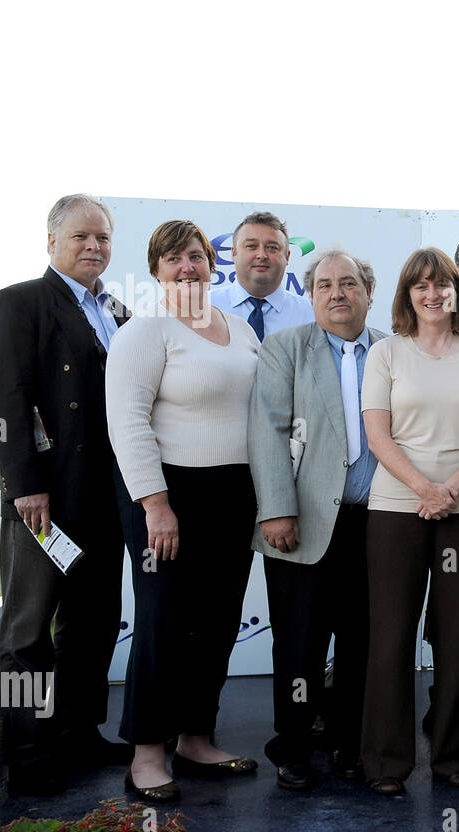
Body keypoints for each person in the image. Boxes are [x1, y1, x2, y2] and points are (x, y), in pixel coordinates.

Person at [106, 220, 262, 802]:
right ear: (157, 271)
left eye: (196, 256)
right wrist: (156, 504)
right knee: (164, 621)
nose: (188, 267)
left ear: (211, 264)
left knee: (218, 619)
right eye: (174, 260)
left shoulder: (240, 328)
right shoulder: (144, 332)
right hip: (164, 495)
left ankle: (196, 738)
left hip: (232, 493)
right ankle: (147, 752)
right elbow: (126, 422)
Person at [0, 194, 133, 795]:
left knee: (93, 622)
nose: (94, 246)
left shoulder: (119, 311)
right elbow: (5, 398)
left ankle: (78, 734)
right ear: (52, 243)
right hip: (43, 500)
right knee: (24, 632)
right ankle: (26, 756)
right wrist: (25, 487)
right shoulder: (19, 302)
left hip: (104, 497)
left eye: (102, 237)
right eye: (80, 237)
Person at [359, 247, 459, 796]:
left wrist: (449, 490)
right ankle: (385, 763)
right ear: (407, 294)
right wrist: (425, 489)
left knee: (456, 639)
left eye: (442, 284)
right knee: (391, 637)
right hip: (398, 510)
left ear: (456, 293)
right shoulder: (387, 354)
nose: (432, 293)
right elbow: (378, 435)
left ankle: (451, 757)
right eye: (421, 285)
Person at [248, 249, 384, 791]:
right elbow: (267, 431)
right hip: (301, 523)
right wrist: (277, 509)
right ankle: (295, 747)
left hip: (377, 526)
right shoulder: (286, 349)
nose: (337, 293)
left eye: (348, 283)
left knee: (362, 645)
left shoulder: (391, 352)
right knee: (299, 646)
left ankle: (349, 745)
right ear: (310, 294)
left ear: (368, 292)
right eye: (324, 284)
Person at [213, 211, 315, 341]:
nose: (261, 255)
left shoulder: (310, 315)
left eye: (272, 248)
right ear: (233, 253)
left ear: (287, 257)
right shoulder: (207, 307)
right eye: (251, 246)